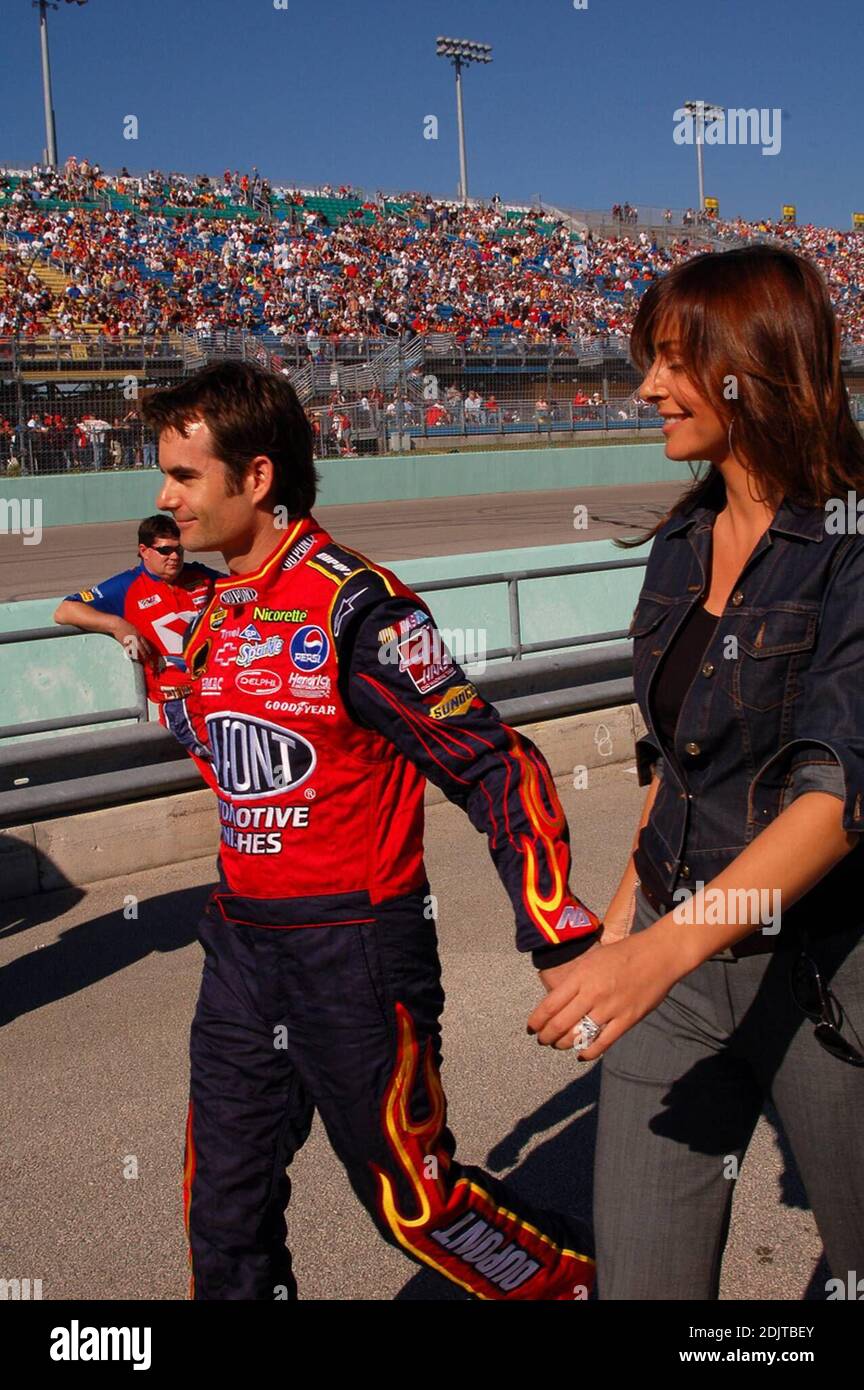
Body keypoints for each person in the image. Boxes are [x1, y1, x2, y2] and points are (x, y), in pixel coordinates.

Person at [141, 360, 602, 1301]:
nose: (164, 498)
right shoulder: (208, 614)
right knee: (222, 1207)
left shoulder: (360, 606)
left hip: (355, 948)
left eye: (185, 476)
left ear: (256, 477)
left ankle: (589, 1280)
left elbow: (493, 762)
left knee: (411, 1204)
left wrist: (556, 925)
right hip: (240, 946)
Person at [529, 245, 864, 1299]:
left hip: (825, 968)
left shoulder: (852, 544)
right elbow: (678, 761)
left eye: (674, 361)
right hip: (676, 964)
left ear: (752, 365)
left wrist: (655, 951)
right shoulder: (682, 541)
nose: (647, 387)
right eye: (650, 360)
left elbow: (840, 796)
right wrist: (628, 922)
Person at [53, 514, 222, 703]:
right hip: (175, 700)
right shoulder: (126, 585)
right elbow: (64, 611)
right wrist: (116, 624)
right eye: (165, 550)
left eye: (179, 549)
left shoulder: (202, 575)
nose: (174, 557)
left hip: (216, 689)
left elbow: (244, 588)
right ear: (144, 551)